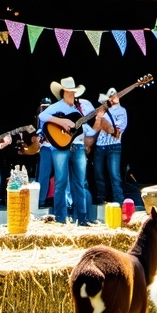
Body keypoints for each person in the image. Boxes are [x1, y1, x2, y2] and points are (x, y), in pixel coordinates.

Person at [39, 77, 96, 226]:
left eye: (73, 92)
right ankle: (60, 219)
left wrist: (99, 118)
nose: (71, 94)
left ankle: (81, 219)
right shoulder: (57, 106)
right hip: (60, 148)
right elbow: (42, 116)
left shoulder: (80, 109)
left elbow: (87, 130)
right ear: (63, 92)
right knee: (61, 183)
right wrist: (61, 121)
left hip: (77, 146)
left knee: (79, 184)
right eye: (68, 92)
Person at [92, 87, 127, 205]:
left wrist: (102, 121)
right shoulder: (103, 111)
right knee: (98, 173)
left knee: (114, 174)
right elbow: (97, 127)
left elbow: (116, 130)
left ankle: (118, 200)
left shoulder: (122, 111)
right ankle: (101, 199)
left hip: (114, 145)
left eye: (115, 95)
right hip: (100, 145)